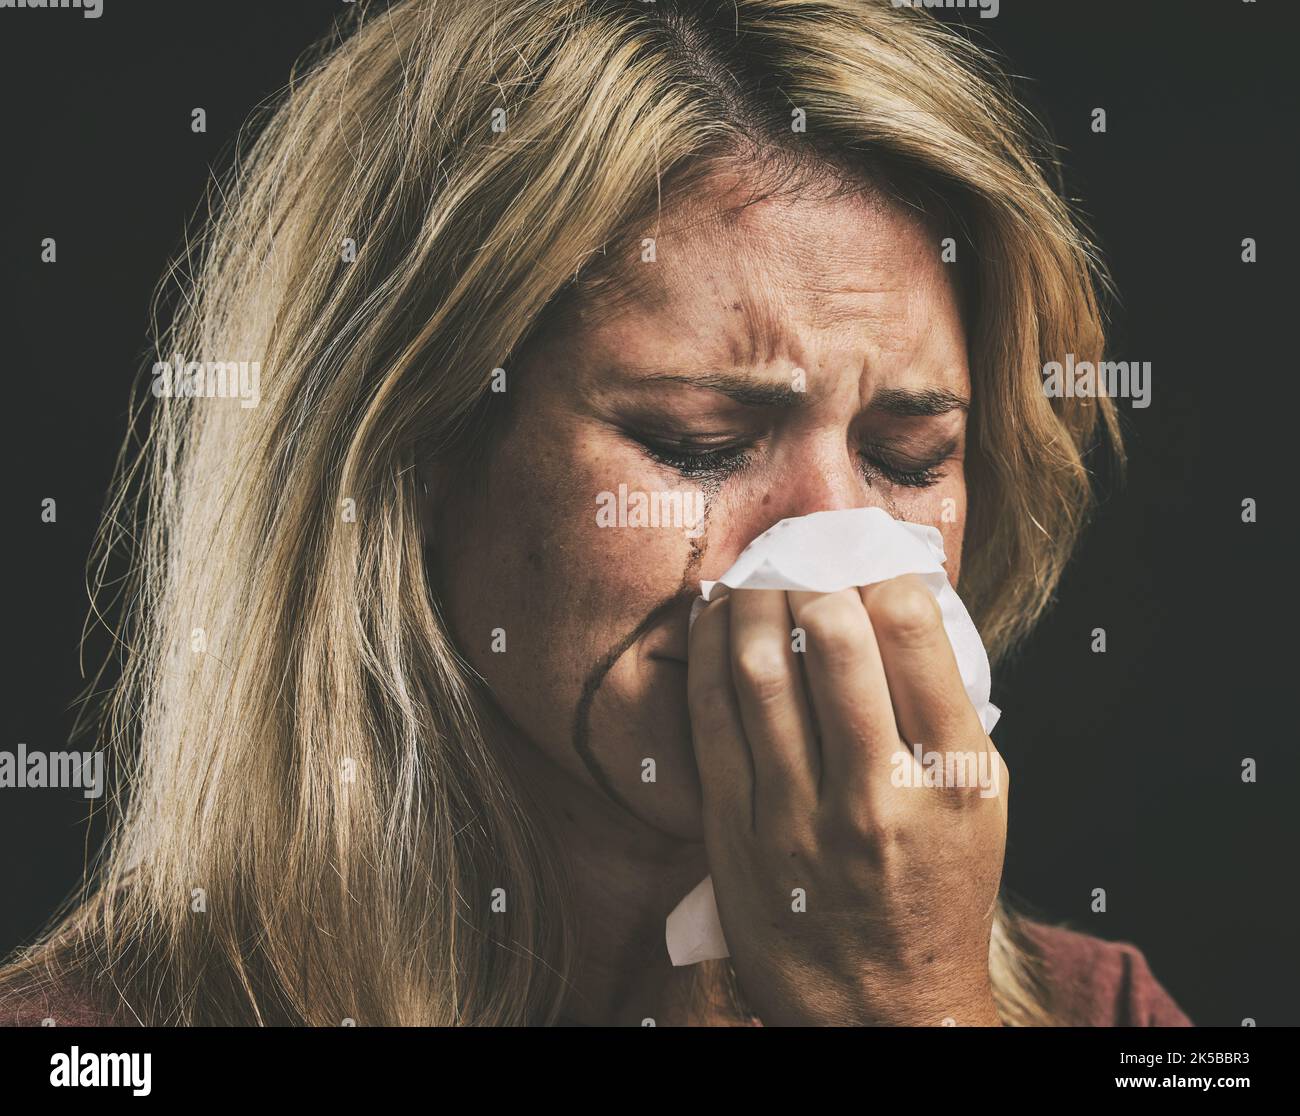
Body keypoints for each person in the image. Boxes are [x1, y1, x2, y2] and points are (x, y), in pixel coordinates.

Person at [1, 0, 1189, 1026]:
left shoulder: (1097, 1012)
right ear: (413, 460)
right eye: (700, 444)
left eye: (908, 457)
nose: (829, 554)